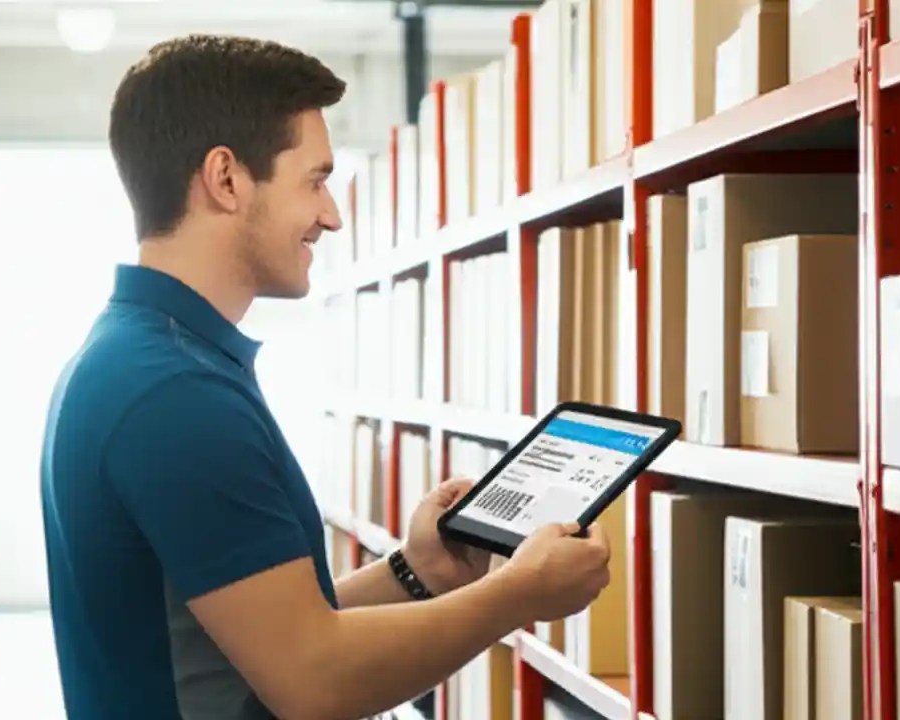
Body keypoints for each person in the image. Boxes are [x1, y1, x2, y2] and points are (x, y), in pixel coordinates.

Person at [40, 34, 612, 720]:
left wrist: (419, 571)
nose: (332, 215)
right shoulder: (174, 396)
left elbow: (260, 634)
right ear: (226, 179)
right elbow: (316, 682)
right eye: (314, 179)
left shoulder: (140, 361)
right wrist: (520, 595)